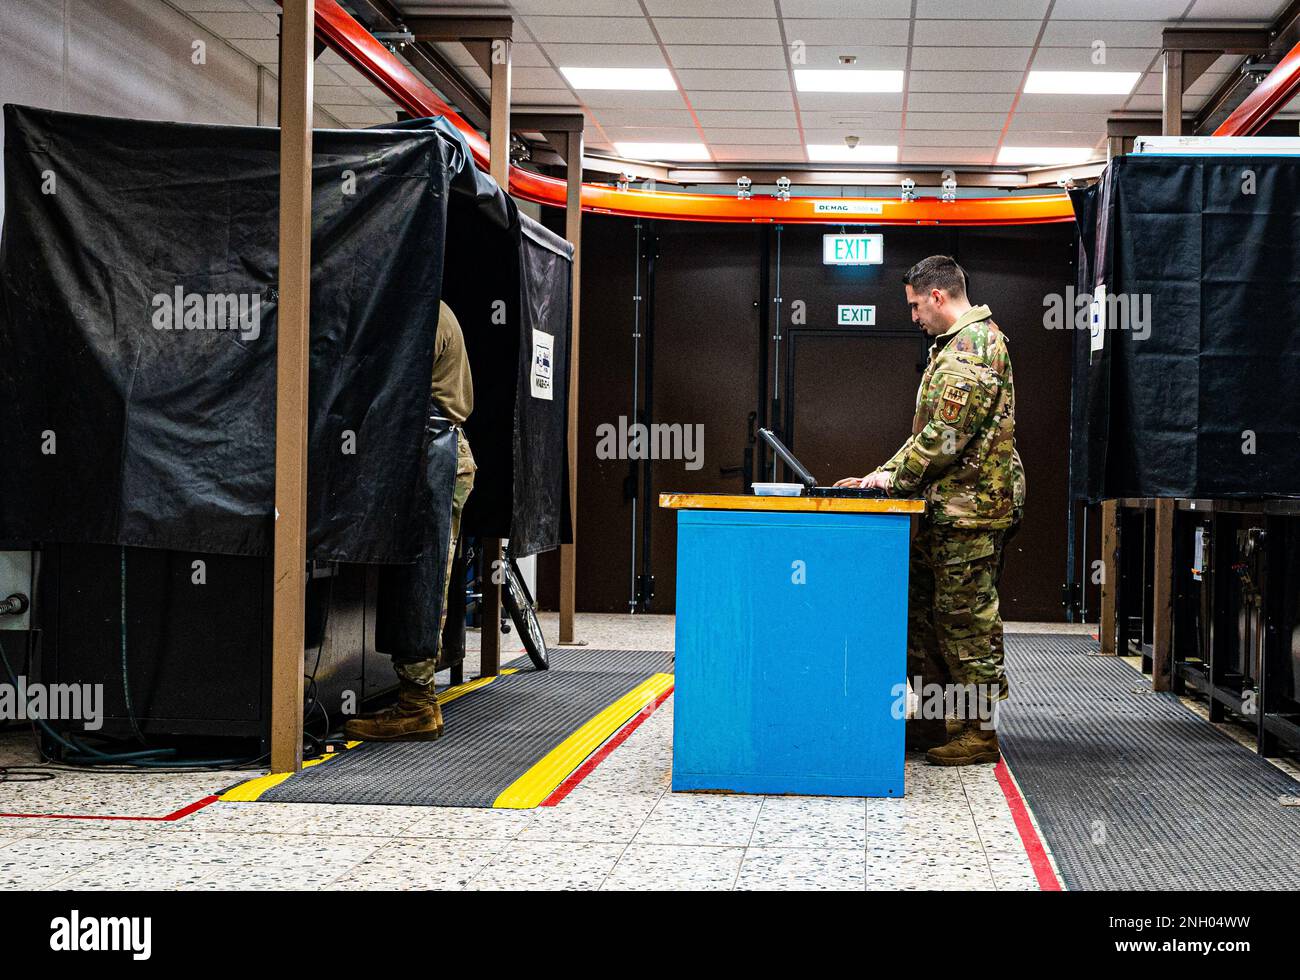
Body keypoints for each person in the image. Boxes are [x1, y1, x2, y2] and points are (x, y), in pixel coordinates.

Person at [836, 256, 1023, 766]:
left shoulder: (972, 348)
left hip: (971, 514)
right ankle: (934, 722)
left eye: (916, 306)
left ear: (938, 297)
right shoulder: (954, 346)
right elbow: (926, 434)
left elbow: (945, 438)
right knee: (926, 615)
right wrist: (880, 474)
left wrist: (893, 480)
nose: (914, 317)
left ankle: (979, 733)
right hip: (949, 511)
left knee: (966, 620)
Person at [345, 300, 475, 741]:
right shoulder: (434, 306)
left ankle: (417, 704)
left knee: (423, 575)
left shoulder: (425, 312)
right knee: (422, 574)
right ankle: (419, 701)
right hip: (437, 450)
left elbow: (396, 385)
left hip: (434, 452)